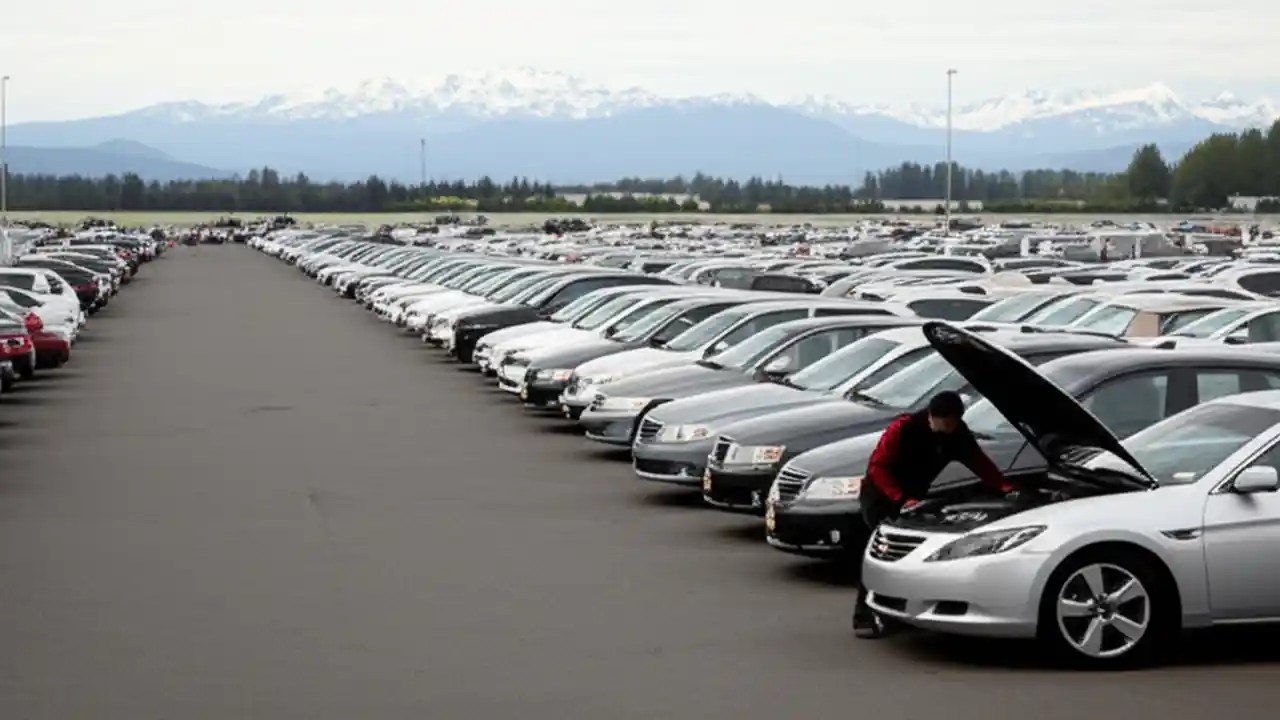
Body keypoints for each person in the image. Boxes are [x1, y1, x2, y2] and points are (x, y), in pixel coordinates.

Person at [852, 390, 1014, 638]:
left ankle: (898, 610)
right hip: (881, 495)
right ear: (933, 417)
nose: (949, 428)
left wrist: (1003, 487)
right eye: (946, 423)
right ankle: (864, 616)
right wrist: (899, 499)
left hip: (914, 497)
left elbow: (979, 462)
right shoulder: (903, 428)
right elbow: (878, 467)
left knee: (910, 554)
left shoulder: (958, 434)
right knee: (883, 551)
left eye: (954, 423)